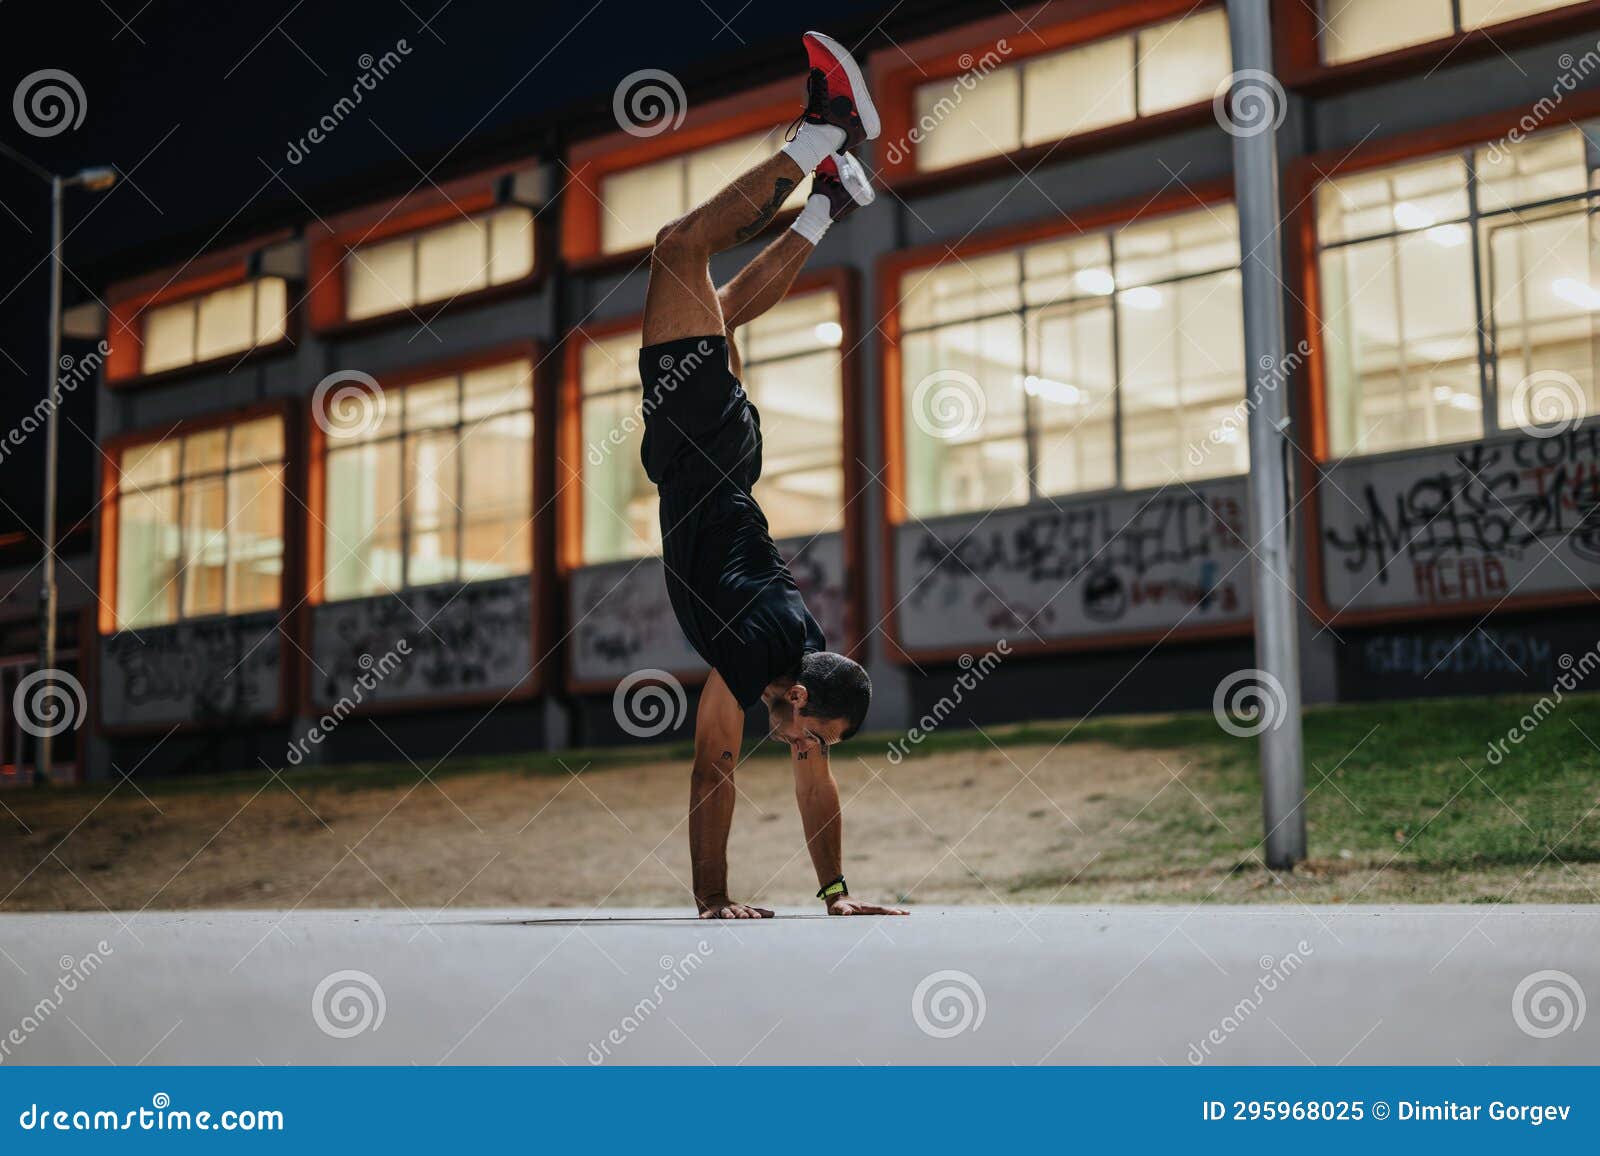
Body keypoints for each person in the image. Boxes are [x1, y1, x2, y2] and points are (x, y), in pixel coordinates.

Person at [638, 31, 908, 920]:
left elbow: (815, 791)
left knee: (718, 309)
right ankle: (825, 133)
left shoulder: (796, 649)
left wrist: (835, 894)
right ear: (798, 696)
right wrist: (713, 899)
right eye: (806, 736)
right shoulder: (757, 655)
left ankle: (830, 203)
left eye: (807, 744)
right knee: (678, 251)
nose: (798, 748)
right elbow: (713, 761)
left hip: (724, 461)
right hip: (705, 451)